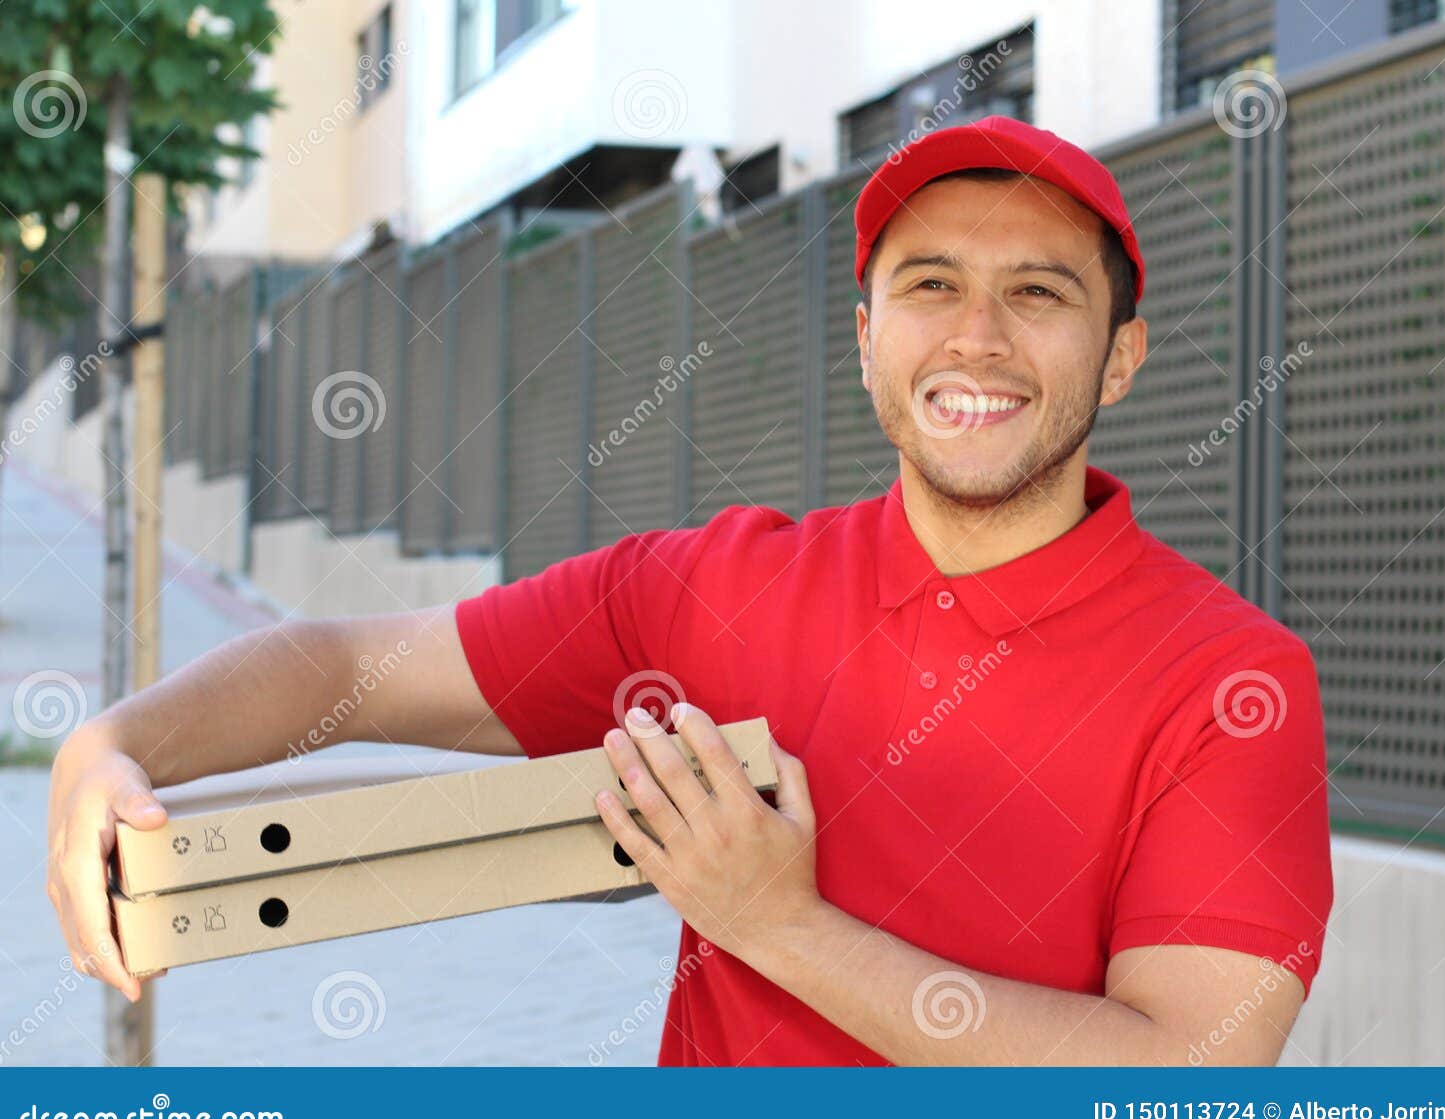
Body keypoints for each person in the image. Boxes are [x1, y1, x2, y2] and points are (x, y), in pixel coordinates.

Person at [48, 115, 1332, 1066]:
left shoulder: (1227, 679)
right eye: (930, 284)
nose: (976, 335)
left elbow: (1186, 1077)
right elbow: (343, 667)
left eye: (1038, 292)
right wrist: (112, 743)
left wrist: (776, 922)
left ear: (1120, 358)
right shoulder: (708, 590)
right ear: (867, 338)